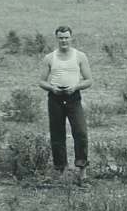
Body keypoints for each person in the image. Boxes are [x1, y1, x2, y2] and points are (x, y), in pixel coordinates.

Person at [39, 26, 93, 181]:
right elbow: (41, 81)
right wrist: (52, 88)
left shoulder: (80, 56)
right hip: (55, 98)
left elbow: (89, 80)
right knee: (57, 134)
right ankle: (61, 169)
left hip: (73, 97)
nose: (64, 40)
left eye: (66, 37)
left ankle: (82, 170)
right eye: (61, 38)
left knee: (80, 132)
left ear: (71, 38)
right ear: (57, 39)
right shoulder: (49, 58)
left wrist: (75, 87)